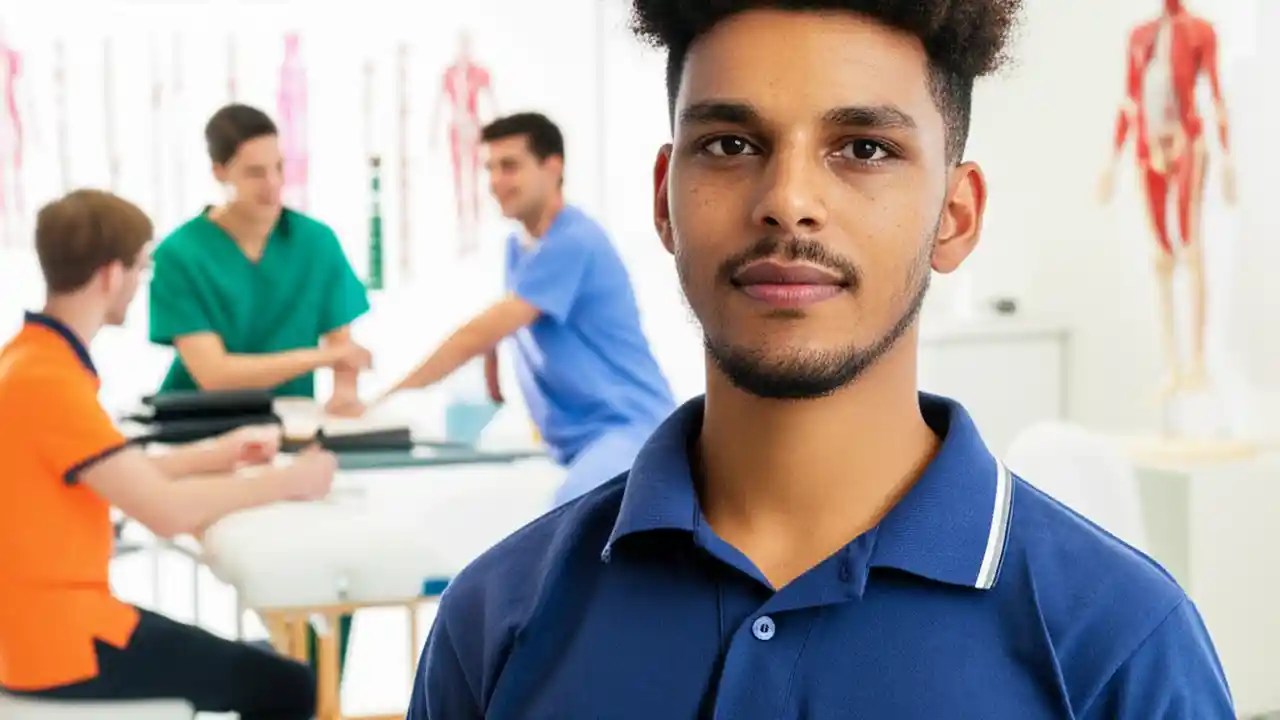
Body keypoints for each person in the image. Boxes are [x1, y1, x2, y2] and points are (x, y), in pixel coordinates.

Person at [407, 2, 1235, 718]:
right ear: (665, 200)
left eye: (864, 149)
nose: (788, 202)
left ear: (954, 215)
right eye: (731, 144)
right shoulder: (496, 621)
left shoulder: (1123, 647)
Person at [0, 190, 335, 719]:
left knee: (261, 664)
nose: (140, 284)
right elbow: (164, 510)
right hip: (61, 642)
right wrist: (294, 480)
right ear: (111, 274)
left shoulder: (28, 360)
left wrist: (217, 454)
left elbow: (108, 473)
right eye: (139, 269)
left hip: (30, 628)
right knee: (285, 684)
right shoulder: (49, 381)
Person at [382, 112, 676, 507]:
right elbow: (503, 328)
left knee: (569, 521)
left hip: (628, 430)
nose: (495, 182)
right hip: (574, 443)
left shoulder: (575, 240)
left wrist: (391, 397)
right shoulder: (518, 247)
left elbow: (483, 330)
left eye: (509, 167)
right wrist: (492, 386)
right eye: (489, 168)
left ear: (552, 167)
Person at [149, 102, 372, 415]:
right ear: (220, 172)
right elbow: (214, 375)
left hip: (289, 421)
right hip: (196, 424)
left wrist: (345, 394)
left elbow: (343, 348)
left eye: (278, 167)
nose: (273, 184)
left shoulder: (315, 242)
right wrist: (321, 357)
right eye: (255, 173)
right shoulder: (180, 254)